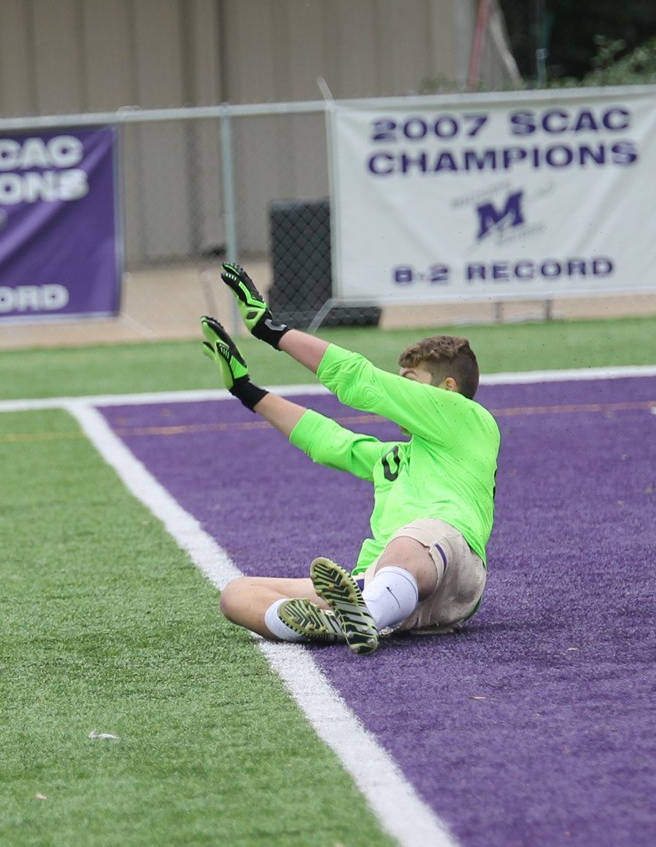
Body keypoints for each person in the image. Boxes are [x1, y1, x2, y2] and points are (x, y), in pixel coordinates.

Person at [202, 264, 500, 654]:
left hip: (450, 567)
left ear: (447, 389)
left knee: (410, 539)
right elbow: (328, 440)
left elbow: (361, 381)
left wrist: (271, 331)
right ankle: (341, 624)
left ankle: (361, 616)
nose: (398, 391)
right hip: (382, 586)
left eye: (408, 381)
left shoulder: (469, 419)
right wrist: (247, 391)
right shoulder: (395, 457)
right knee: (238, 594)